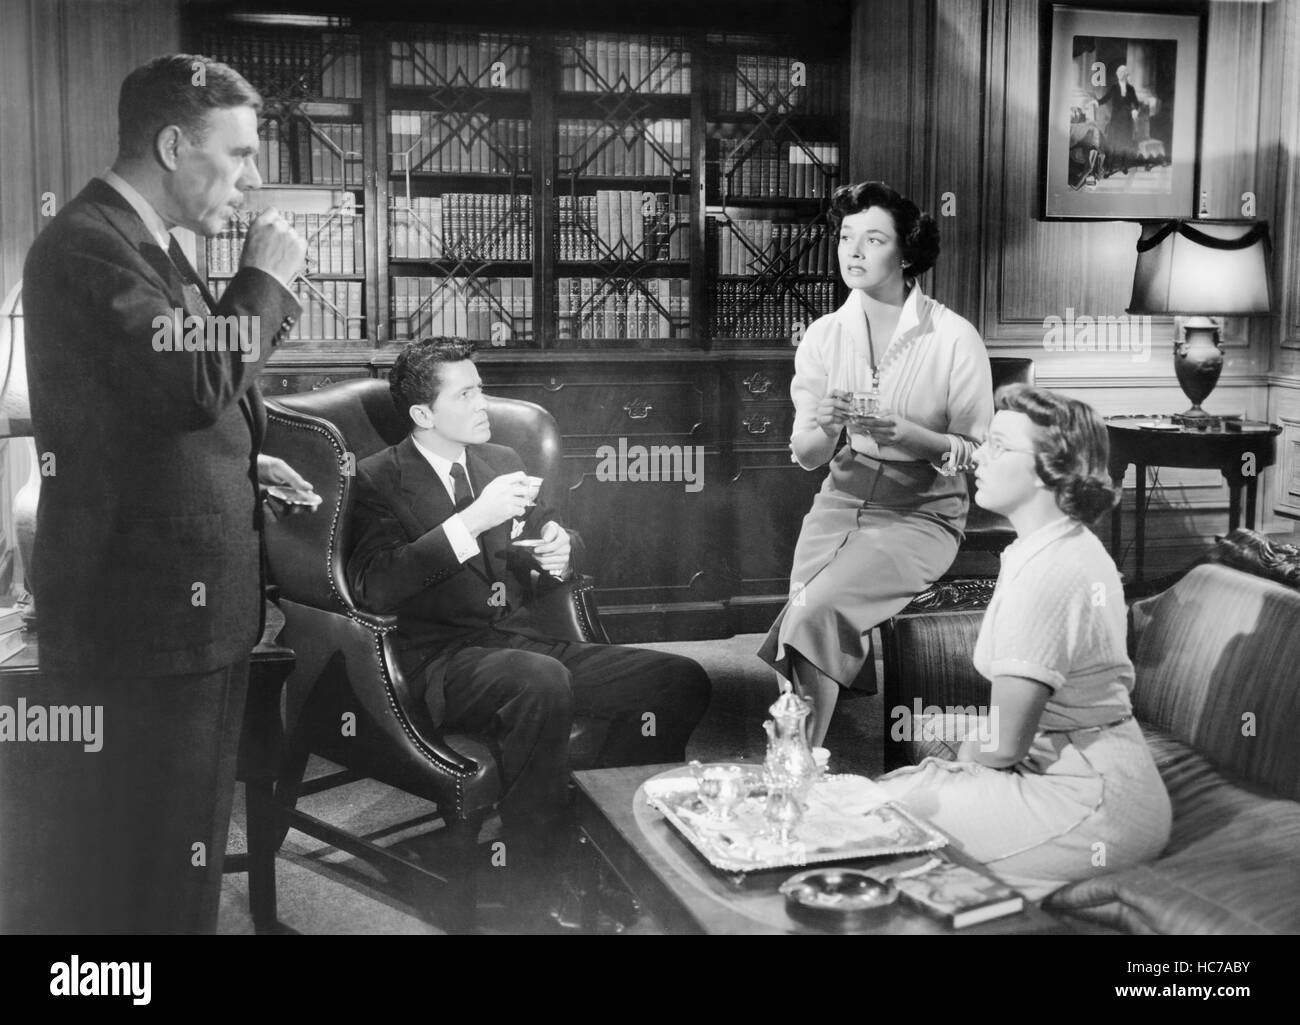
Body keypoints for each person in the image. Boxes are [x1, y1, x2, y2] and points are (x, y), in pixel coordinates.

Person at [11, 54, 311, 934]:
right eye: (242, 153)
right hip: (145, 624)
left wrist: (241, 462)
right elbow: (190, 380)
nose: (253, 178)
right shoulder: (87, 244)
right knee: (146, 863)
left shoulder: (141, 245)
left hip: (184, 614)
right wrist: (266, 278)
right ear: (176, 143)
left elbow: (147, 413)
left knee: (173, 852)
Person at [346, 338, 711, 918]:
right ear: (423, 414)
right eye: (465, 393)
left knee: (680, 680)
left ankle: (595, 837)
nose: (483, 402)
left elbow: (544, 543)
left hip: (516, 640)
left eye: (480, 387)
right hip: (433, 659)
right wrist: (472, 520)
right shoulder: (375, 479)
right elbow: (375, 586)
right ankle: (534, 881)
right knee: (540, 679)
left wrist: (563, 551)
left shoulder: (501, 462)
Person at [874, 386, 1172, 901]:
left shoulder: (1049, 572)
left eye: (997, 446)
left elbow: (1004, 746)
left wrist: (952, 762)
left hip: (1094, 803)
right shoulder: (1048, 546)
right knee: (881, 803)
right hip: (1070, 762)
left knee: (876, 827)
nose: (977, 458)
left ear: (1050, 469)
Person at [757, 181, 993, 746]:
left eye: (873, 239)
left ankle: (799, 760)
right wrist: (830, 423)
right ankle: (803, 753)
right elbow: (809, 457)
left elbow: (979, 453)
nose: (853, 252)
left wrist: (913, 436)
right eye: (845, 237)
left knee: (817, 612)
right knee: (808, 607)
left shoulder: (954, 337)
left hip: (923, 510)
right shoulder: (823, 336)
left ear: (906, 253)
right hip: (840, 498)